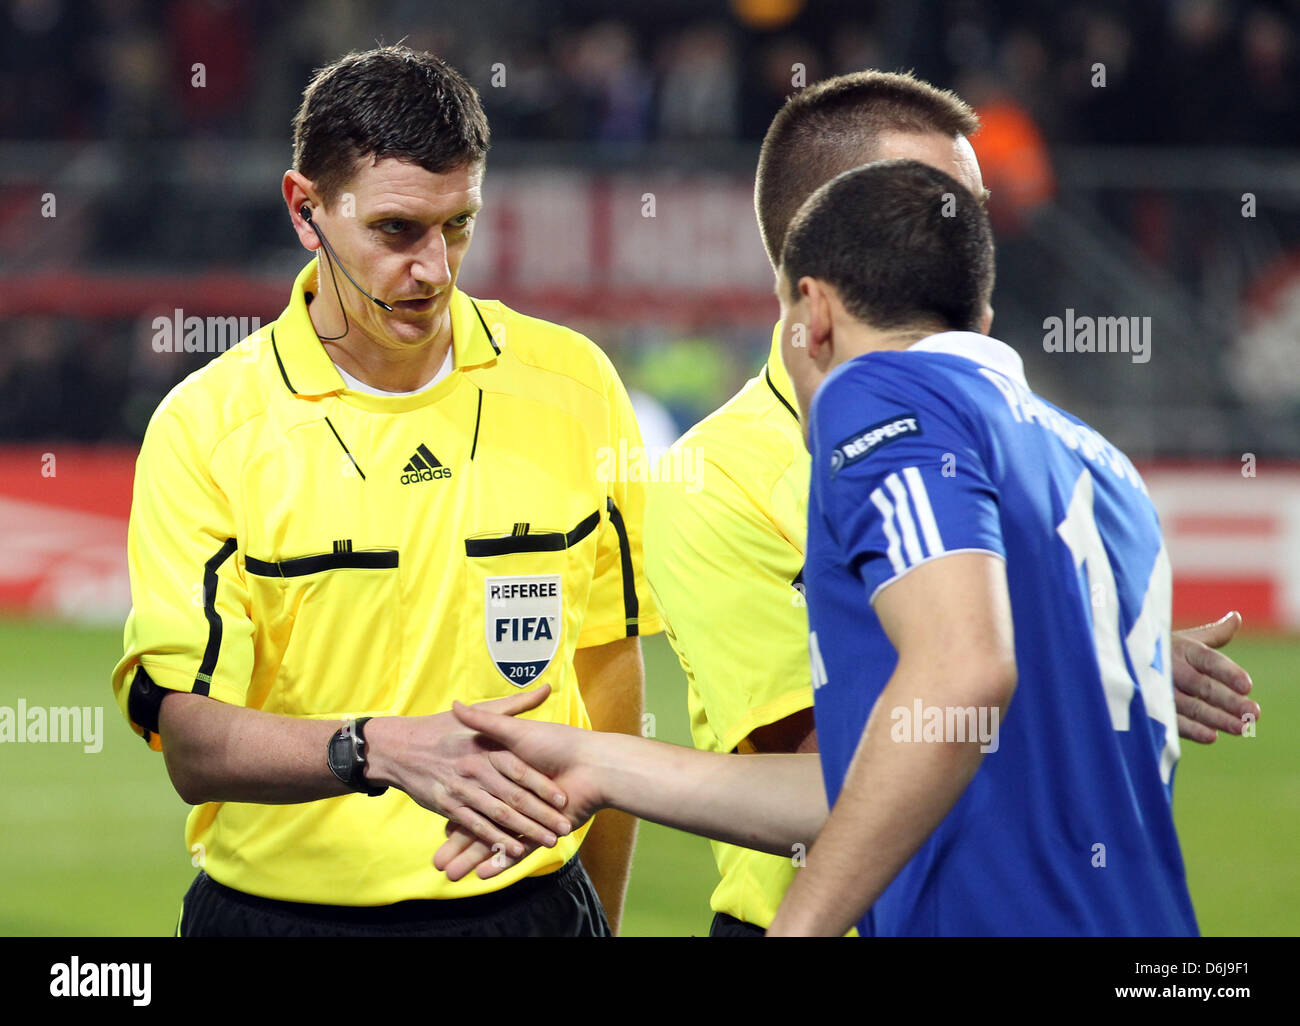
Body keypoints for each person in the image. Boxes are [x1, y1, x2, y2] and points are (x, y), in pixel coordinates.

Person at [435, 160, 1199, 937]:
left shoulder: (876, 395)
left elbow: (964, 670)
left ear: (815, 313)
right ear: (984, 313)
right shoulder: (1099, 464)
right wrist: (599, 766)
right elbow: (874, 785)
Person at [641, 71, 1258, 937]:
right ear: (830, 237)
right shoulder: (715, 480)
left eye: (974, 207)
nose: (970, 237)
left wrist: (1107, 663)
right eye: (937, 204)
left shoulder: (1015, 431)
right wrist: (1075, 675)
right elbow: (842, 774)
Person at [109, 45, 659, 937]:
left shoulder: (576, 385)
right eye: (398, 230)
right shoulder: (207, 426)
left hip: (528, 914)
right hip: (278, 918)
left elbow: (609, 671)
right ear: (305, 210)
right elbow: (193, 741)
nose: (436, 269)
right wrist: (372, 749)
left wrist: (601, 913)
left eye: (459, 225)